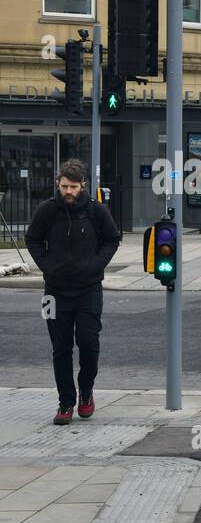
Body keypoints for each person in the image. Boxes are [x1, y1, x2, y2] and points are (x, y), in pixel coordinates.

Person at [24, 159, 121, 425]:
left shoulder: (95, 210)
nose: (68, 191)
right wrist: (46, 266)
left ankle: (86, 392)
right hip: (54, 291)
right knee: (60, 348)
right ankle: (66, 401)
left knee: (89, 343)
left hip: (89, 290)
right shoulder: (47, 210)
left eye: (73, 187)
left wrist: (96, 265)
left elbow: (112, 239)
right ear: (58, 184)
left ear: (82, 186)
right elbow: (32, 239)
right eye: (64, 186)